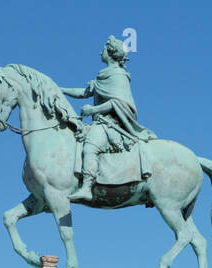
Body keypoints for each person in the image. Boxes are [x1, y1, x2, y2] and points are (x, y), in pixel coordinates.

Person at [61, 35, 156, 202]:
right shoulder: (103, 75)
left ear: (111, 53)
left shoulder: (119, 75)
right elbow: (84, 92)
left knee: (90, 147)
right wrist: (59, 89)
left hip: (111, 124)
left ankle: (86, 187)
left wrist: (93, 109)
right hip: (100, 122)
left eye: (103, 49)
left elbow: (117, 102)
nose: (100, 52)